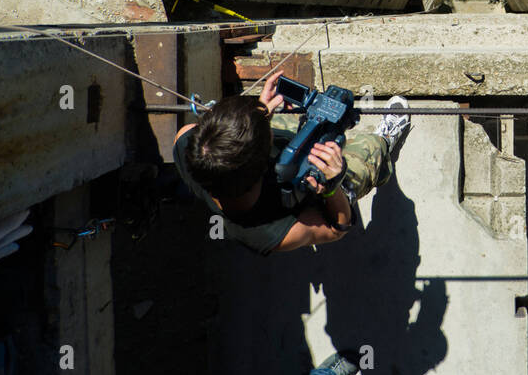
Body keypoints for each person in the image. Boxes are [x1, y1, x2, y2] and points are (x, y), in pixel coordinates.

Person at [171, 72, 411, 255]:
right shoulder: (273, 235)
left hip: (268, 159)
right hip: (314, 188)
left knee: (300, 123)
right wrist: (331, 187)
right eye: (265, 129)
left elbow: (188, 131)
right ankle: (383, 148)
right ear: (264, 160)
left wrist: (259, 112)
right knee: (365, 153)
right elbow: (338, 227)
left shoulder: (192, 145)